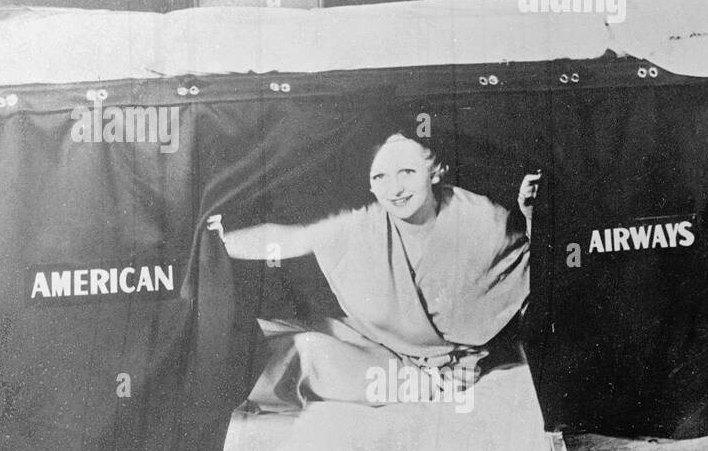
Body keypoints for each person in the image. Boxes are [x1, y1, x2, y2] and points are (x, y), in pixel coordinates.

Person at [207, 131, 542, 411]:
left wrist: (531, 218)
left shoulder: (481, 219)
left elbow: (532, 271)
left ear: (436, 171)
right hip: (384, 345)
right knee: (261, 335)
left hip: (439, 373)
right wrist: (217, 242)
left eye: (407, 173)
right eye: (380, 177)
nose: (394, 189)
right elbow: (293, 239)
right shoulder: (367, 221)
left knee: (307, 352)